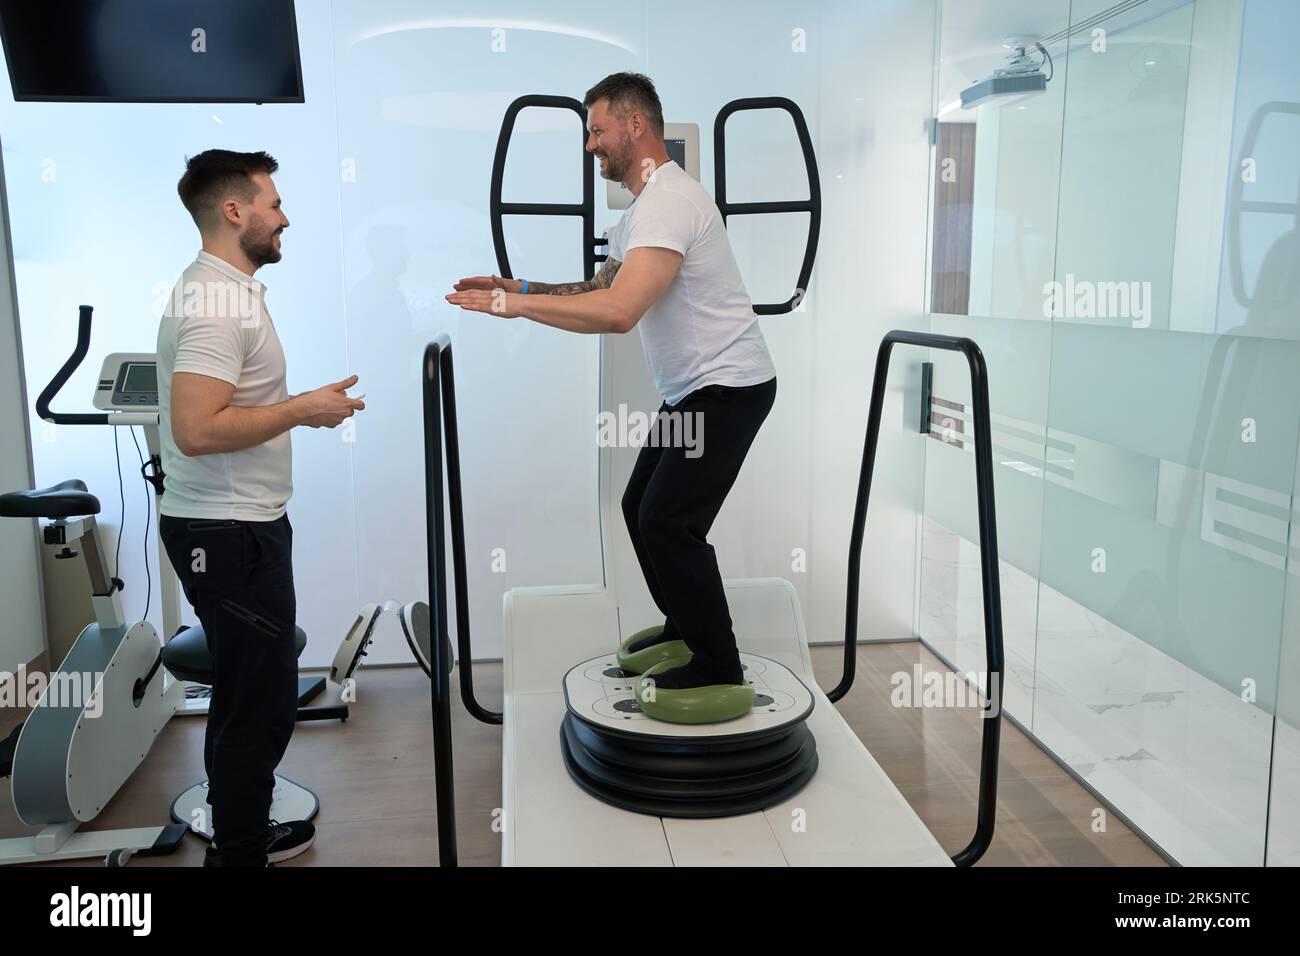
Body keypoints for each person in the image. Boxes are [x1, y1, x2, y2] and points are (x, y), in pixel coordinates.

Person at [447, 73, 775, 692]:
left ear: (634, 125)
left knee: (669, 523)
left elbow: (620, 314)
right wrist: (517, 288)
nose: (591, 144)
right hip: (695, 391)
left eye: (597, 130)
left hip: (728, 388)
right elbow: (601, 288)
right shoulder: (642, 208)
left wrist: (510, 310)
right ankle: (684, 627)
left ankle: (717, 665)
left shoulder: (670, 201)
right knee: (639, 508)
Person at [157, 149, 365, 866]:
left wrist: (297, 408)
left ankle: (236, 830)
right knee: (261, 704)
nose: (285, 216)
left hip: (236, 525)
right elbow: (196, 428)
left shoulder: (224, 290)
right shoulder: (216, 302)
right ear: (234, 211)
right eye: (272, 203)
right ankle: (239, 853)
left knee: (245, 697)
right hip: (228, 531)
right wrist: (302, 410)